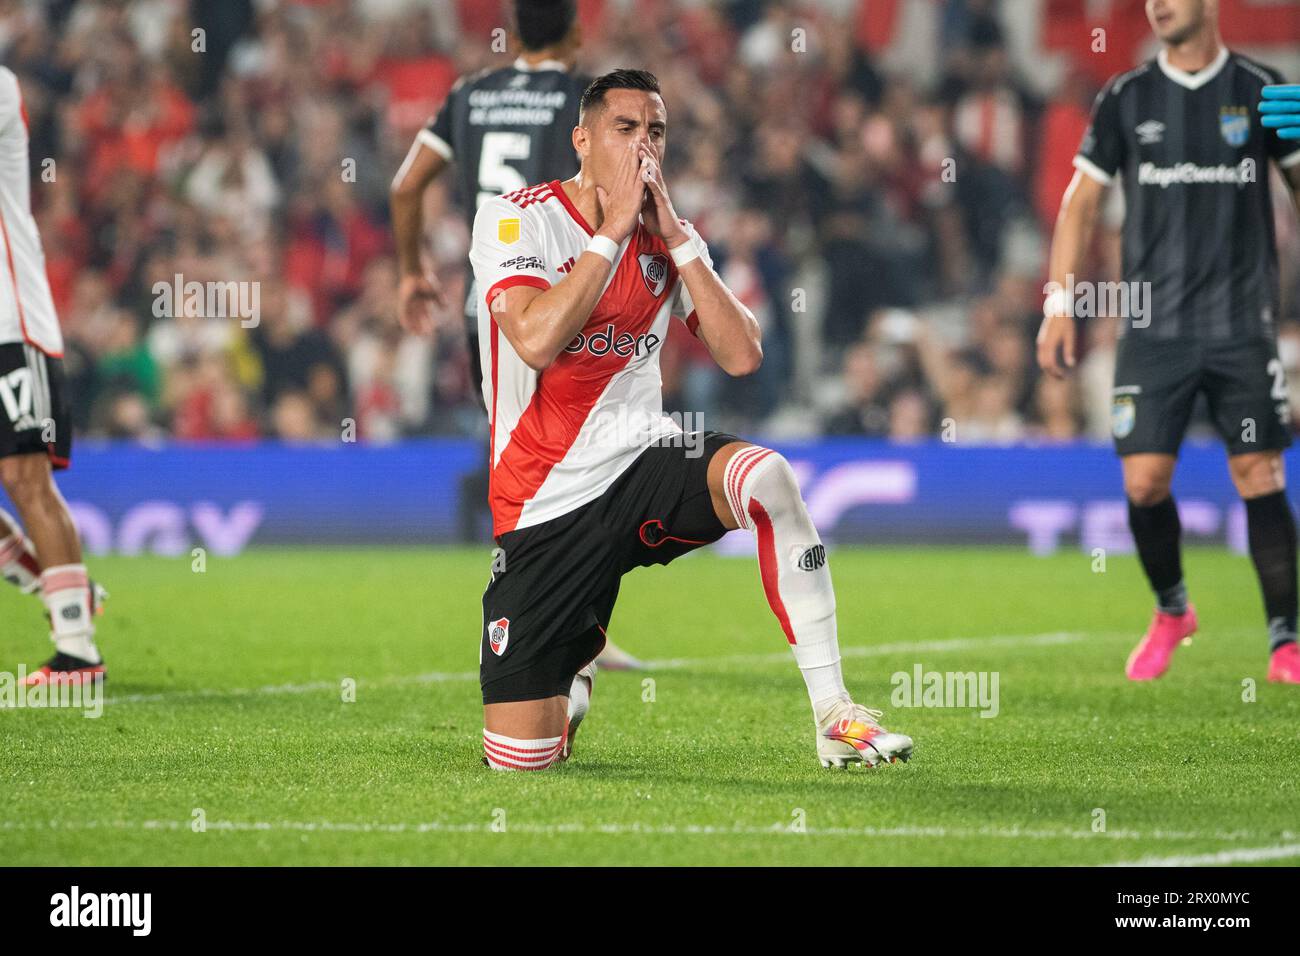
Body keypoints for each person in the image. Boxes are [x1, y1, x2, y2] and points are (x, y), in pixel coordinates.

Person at [468, 68, 914, 770]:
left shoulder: (667, 236)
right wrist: (613, 233)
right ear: (582, 140)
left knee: (769, 477)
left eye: (656, 132)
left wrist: (674, 237)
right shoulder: (514, 217)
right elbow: (535, 338)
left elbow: (742, 355)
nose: (644, 146)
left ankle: (833, 710)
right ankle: (573, 674)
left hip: (639, 459)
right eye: (625, 129)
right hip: (541, 502)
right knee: (524, 760)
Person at [1037, 0, 1300, 683]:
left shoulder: (1264, 90)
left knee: (1259, 473)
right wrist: (1060, 300)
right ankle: (1173, 610)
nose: (1156, 4)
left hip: (1242, 326)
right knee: (1145, 481)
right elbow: (1080, 203)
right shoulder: (1126, 97)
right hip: (1153, 330)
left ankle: (1285, 643)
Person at [390, 0, 645, 669]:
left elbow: (404, 187)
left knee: (523, 464)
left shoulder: (469, 94)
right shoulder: (582, 101)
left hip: (492, 307)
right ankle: (575, 628)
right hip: (565, 301)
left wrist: (412, 272)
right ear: (576, 31)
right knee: (595, 463)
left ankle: (541, 626)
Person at [0, 66, 106, 686]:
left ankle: (77, 651)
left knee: (23, 476)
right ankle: (65, 586)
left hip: (12, 320)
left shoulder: (4, 86)